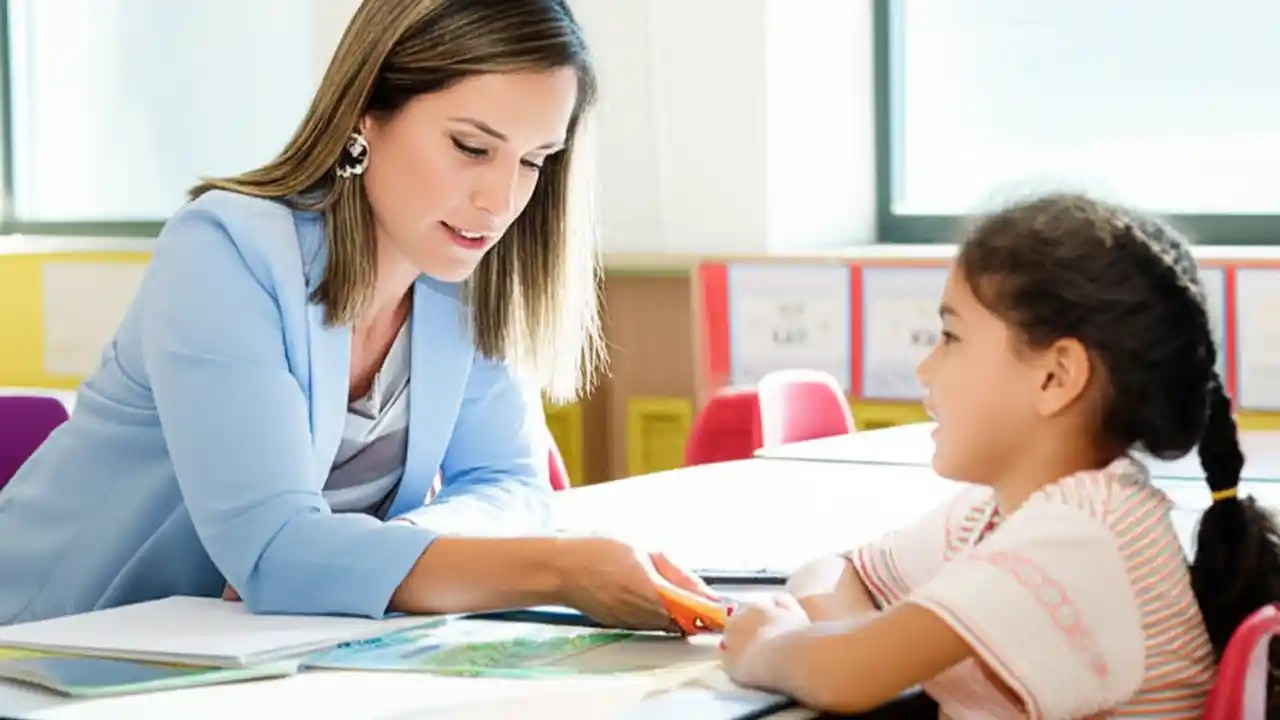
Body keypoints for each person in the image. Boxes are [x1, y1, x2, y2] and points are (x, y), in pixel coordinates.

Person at [0, 0, 704, 629]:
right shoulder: (226, 251)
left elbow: (510, 487)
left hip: (240, 659)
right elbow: (275, 552)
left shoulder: (463, 275)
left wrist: (372, 556)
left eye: (534, 161)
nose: (501, 201)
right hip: (50, 649)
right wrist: (558, 572)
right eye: (470, 147)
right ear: (367, 110)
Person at [719, 194, 1280, 717]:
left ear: (1055, 376)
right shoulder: (996, 513)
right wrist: (864, 648)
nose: (926, 367)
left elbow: (845, 674)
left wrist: (779, 646)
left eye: (951, 337)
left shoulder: (1085, 531)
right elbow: (842, 570)